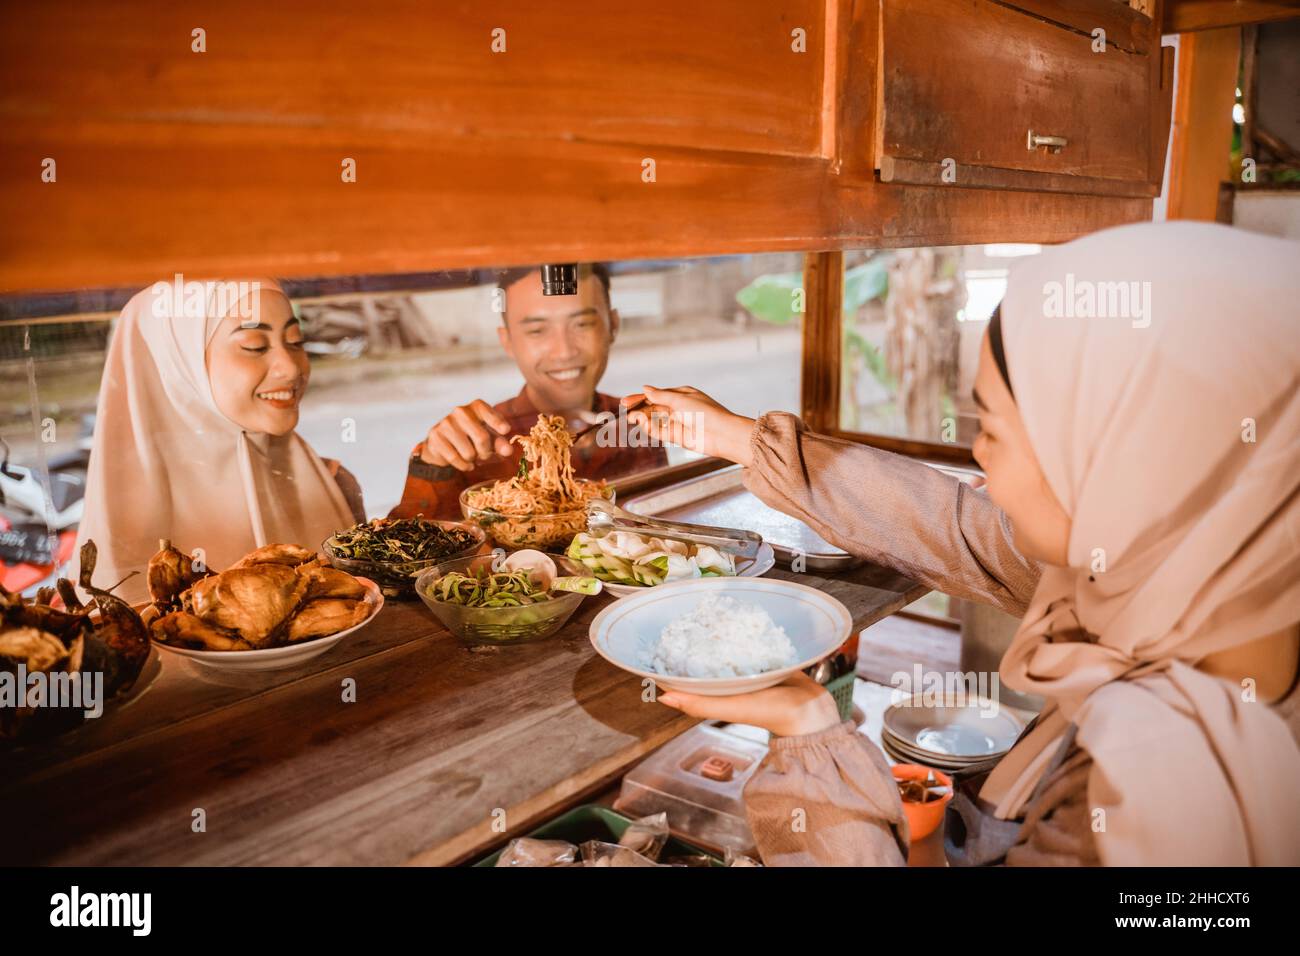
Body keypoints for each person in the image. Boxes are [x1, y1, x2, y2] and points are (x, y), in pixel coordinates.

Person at [624, 221, 1300, 866]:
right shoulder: (1187, 583)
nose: (979, 463)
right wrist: (743, 440)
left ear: (1118, 463)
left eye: (996, 432)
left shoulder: (1156, 800)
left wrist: (810, 737)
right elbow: (959, 529)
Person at [75, 278, 365, 603]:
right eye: (254, 345)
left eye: (295, 341)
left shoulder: (335, 485)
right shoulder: (122, 523)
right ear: (180, 365)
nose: (291, 367)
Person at [389, 264, 667, 519]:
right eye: (537, 331)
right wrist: (434, 465)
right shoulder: (478, 444)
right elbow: (402, 556)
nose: (564, 351)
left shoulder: (635, 424)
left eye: (582, 324)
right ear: (507, 340)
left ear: (613, 326)